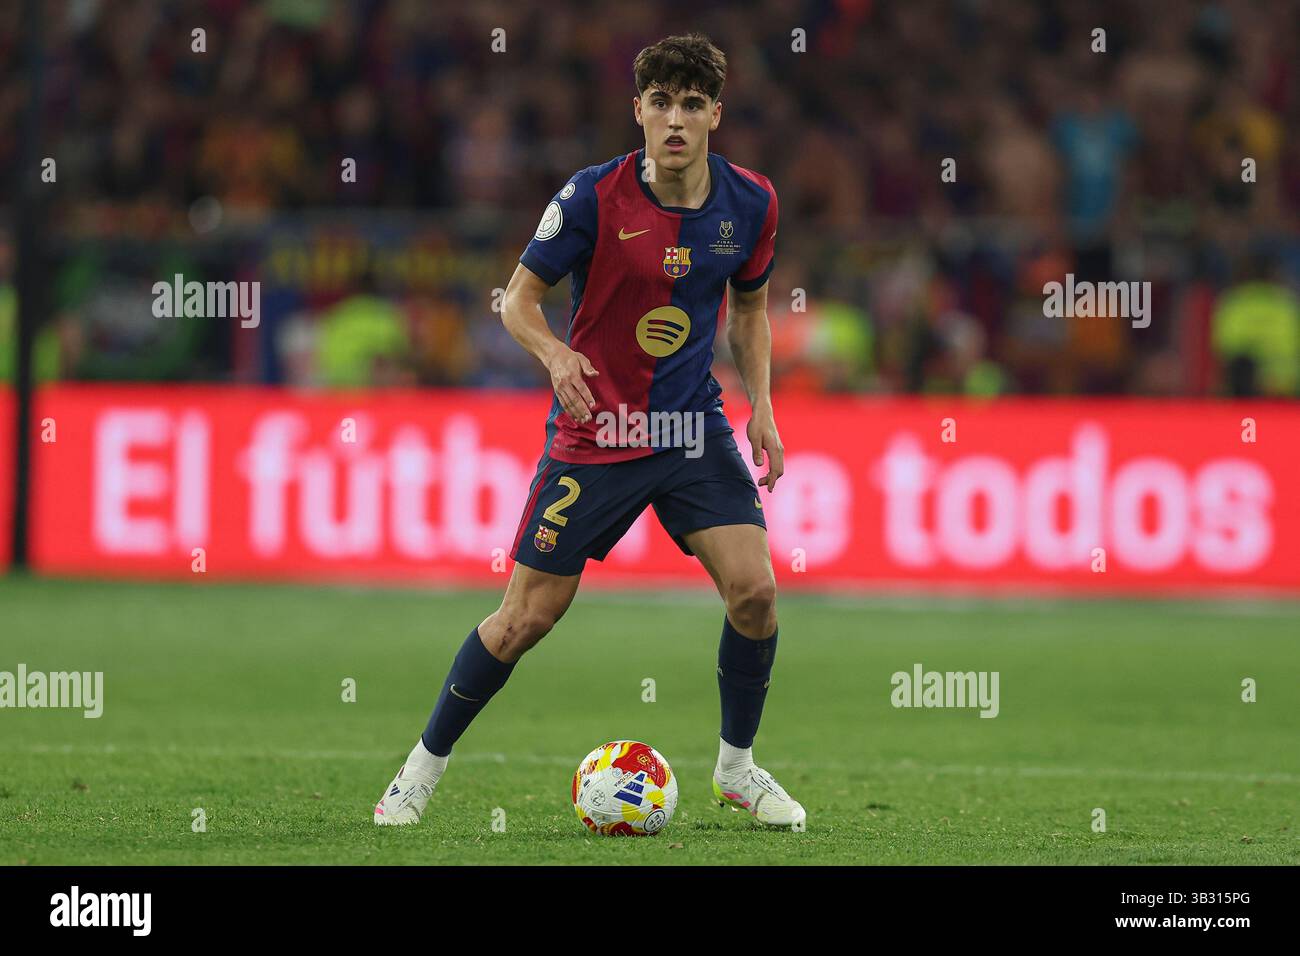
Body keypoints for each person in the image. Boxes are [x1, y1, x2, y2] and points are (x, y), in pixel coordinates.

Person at [374, 33, 804, 830]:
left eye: (691, 105)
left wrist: (764, 410)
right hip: (595, 430)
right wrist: (554, 353)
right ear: (637, 110)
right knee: (524, 620)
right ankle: (418, 772)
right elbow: (515, 299)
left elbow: (748, 310)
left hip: (688, 427)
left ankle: (738, 770)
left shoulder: (752, 203)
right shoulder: (591, 198)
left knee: (757, 592)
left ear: (716, 113)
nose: (675, 120)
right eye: (660, 103)